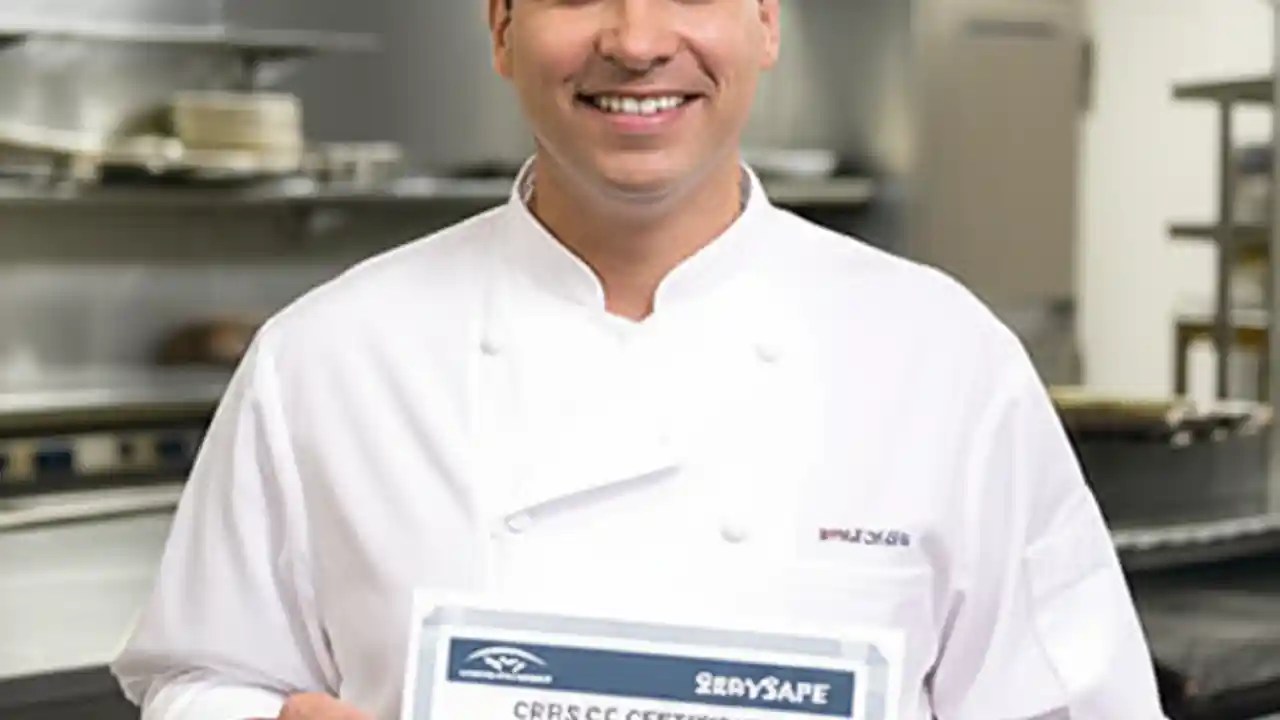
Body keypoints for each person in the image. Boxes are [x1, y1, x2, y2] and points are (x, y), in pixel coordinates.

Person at [112, 0, 1166, 718]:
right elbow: (204, 676)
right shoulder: (328, 356)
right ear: (499, 25)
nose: (635, 39)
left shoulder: (943, 359)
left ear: (764, 21)